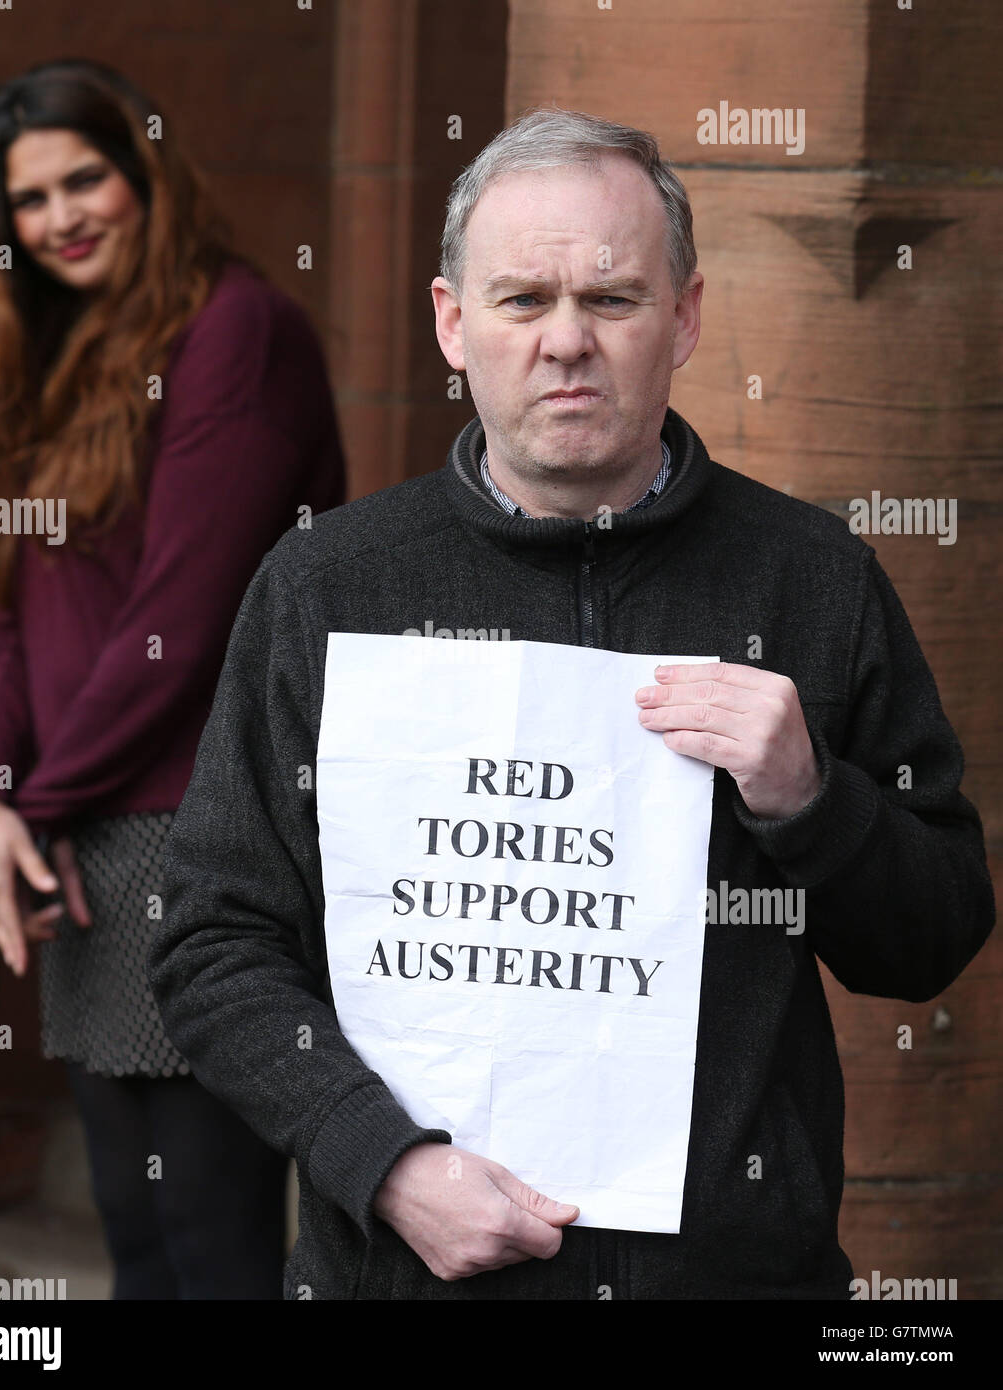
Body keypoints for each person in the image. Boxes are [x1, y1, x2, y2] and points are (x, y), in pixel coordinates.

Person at [147, 108, 994, 1300]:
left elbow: (935, 936)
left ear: (685, 317)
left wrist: (813, 801)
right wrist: (379, 1163)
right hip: (403, 1277)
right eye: (521, 299)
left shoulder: (812, 577)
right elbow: (209, 943)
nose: (565, 343)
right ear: (451, 322)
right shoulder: (326, 586)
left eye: (610, 301)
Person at [0, 58, 345, 1299]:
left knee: (211, 1250)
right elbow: (8, 616)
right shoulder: (59, 365)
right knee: (137, 1238)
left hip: (198, 838)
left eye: (86, 177)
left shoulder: (237, 330)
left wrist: (33, 809)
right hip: (84, 844)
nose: (60, 216)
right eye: (31, 198)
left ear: (144, 173)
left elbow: (186, 617)